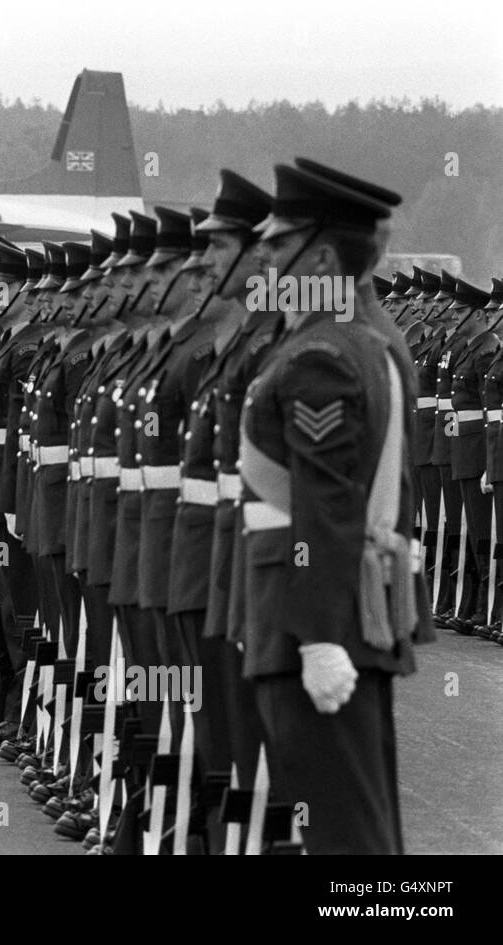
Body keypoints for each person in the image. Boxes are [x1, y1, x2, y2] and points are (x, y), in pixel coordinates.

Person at [241, 160, 432, 854]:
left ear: (319, 255)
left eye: (277, 241)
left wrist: (318, 636)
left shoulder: (320, 355)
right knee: (355, 826)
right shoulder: (352, 337)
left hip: (314, 625)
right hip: (329, 615)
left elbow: (327, 505)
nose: (262, 252)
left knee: (344, 836)